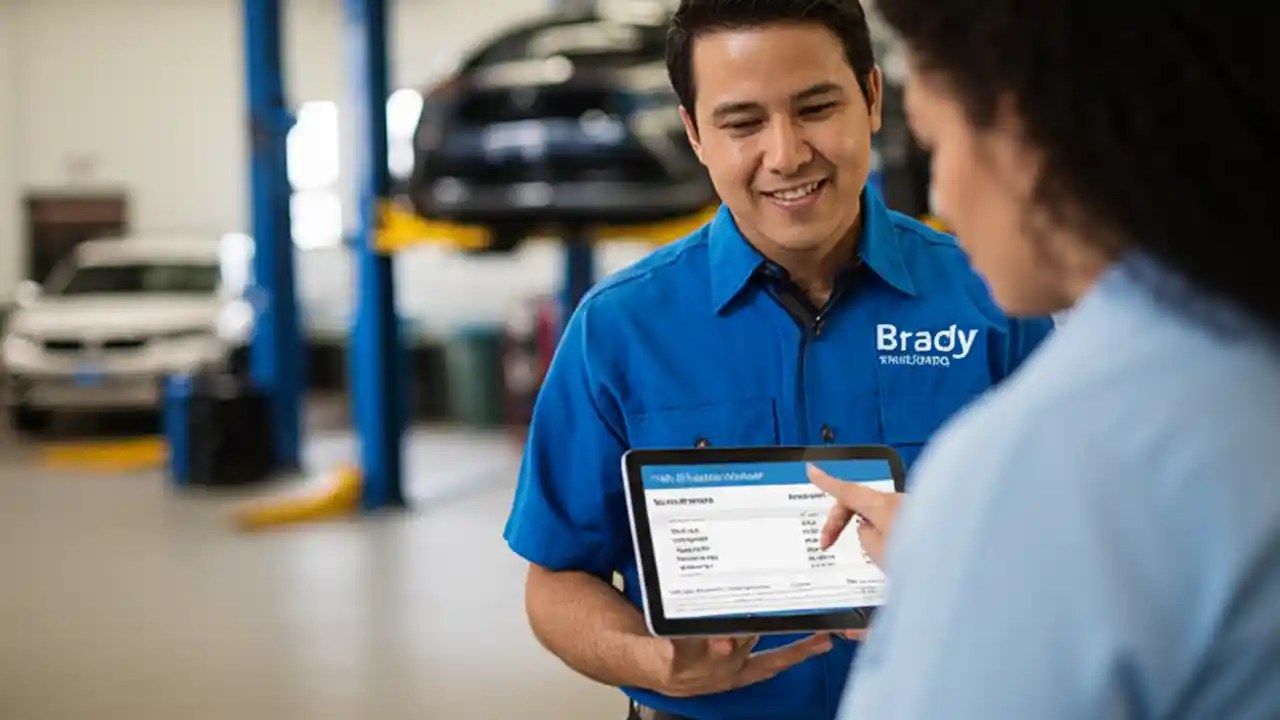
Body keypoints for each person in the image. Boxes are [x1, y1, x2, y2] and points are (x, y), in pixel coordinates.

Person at [502, 1, 1054, 718]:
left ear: (873, 98)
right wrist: (650, 660)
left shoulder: (995, 299)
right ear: (696, 133)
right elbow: (556, 578)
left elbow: (1085, 546)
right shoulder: (618, 330)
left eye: (816, 107)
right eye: (742, 123)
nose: (787, 154)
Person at [804, 2, 1280, 718]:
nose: (941, 197)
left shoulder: (1052, 453)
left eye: (936, 144)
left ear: (1021, 137)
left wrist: (976, 560)